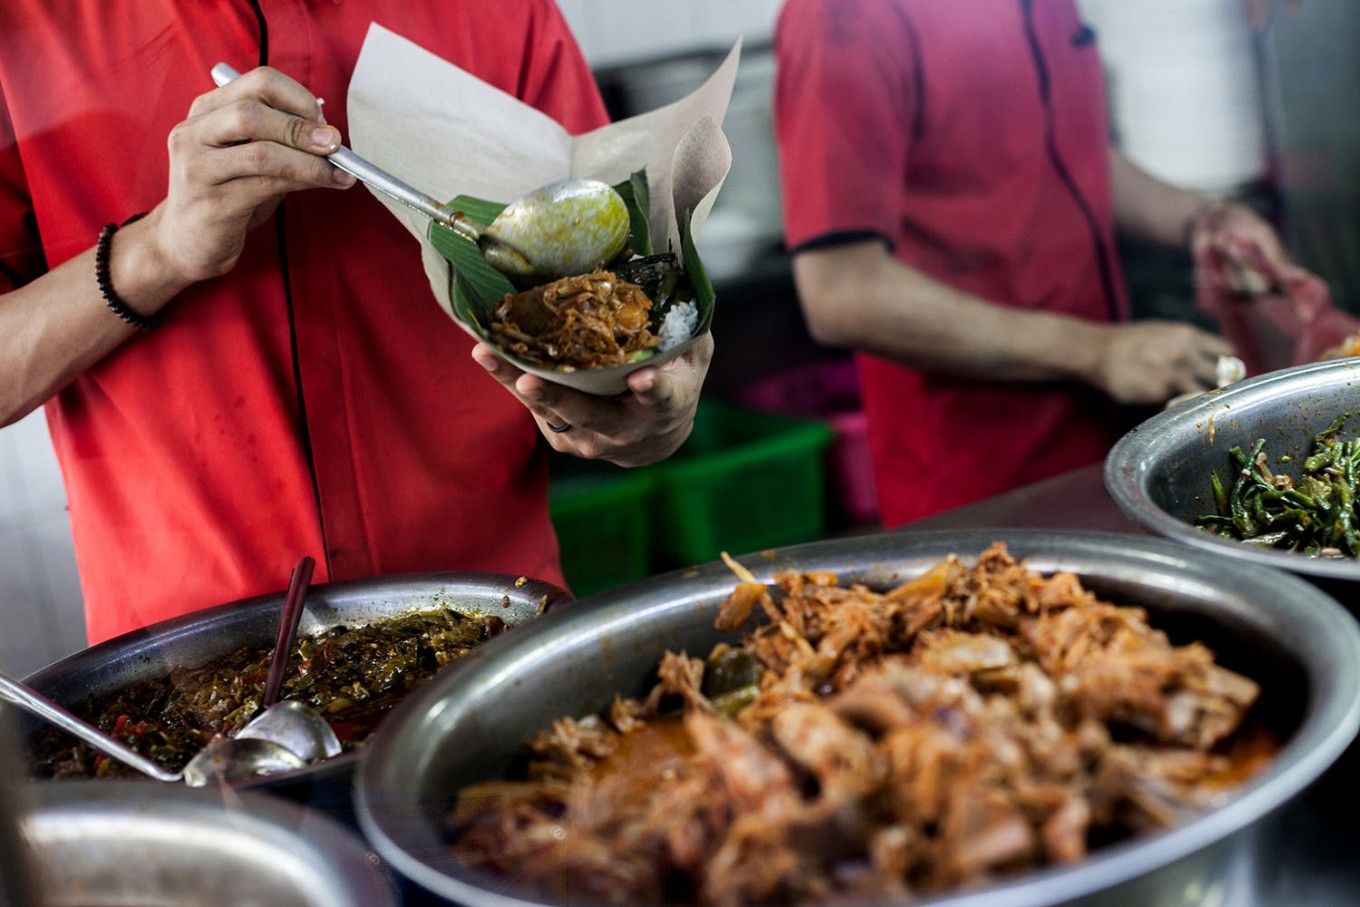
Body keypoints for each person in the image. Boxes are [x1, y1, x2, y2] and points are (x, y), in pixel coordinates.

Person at [0, 1, 712, 644]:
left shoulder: (506, 11)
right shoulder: (27, 30)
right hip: (188, 671)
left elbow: (608, 304)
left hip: (494, 630)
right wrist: (156, 251)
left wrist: (640, 415)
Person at [773, 0, 1311, 527]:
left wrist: (1200, 220)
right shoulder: (842, 15)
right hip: (976, 490)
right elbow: (842, 291)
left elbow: (1072, 156)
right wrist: (1100, 351)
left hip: (1095, 450)